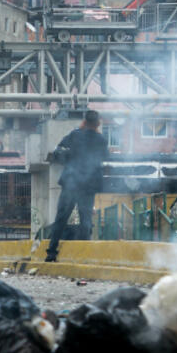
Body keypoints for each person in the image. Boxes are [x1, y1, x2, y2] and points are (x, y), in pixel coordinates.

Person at [44, 111, 108, 262]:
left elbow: (59, 149)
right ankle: (84, 254)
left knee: (61, 218)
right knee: (85, 220)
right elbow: (105, 158)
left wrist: (69, 158)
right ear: (98, 123)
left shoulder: (75, 134)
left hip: (71, 183)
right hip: (89, 185)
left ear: (84, 121)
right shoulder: (101, 140)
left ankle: (51, 253)